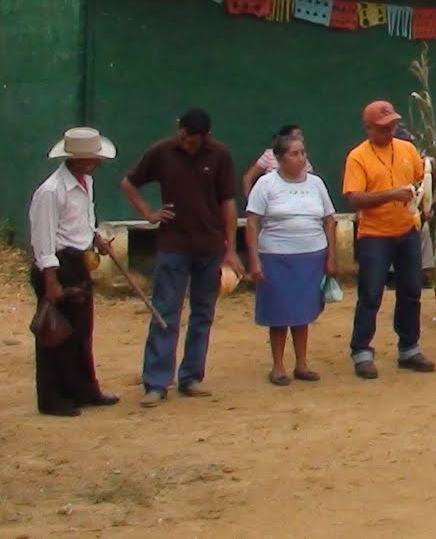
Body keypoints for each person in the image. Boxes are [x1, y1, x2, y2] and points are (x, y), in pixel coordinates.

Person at [121, 109, 242, 407]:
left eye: (192, 141)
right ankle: (157, 382)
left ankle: (191, 377)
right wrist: (148, 213)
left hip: (209, 246)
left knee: (203, 313)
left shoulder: (220, 156)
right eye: (183, 137)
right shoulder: (162, 152)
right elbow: (128, 182)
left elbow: (228, 202)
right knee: (165, 312)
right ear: (179, 130)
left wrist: (230, 247)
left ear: (206, 138)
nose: (186, 144)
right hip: (173, 245)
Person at [27, 127, 120, 416]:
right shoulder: (51, 191)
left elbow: (82, 221)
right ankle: (53, 398)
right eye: (86, 158)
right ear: (72, 159)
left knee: (81, 331)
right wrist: (51, 280)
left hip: (78, 262)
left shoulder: (86, 183)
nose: (92, 163)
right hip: (57, 265)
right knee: (55, 334)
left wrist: (96, 238)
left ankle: (83, 390)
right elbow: (43, 238)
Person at [343, 100, 434, 379]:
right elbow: (354, 197)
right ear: (369, 128)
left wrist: (424, 199)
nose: (390, 130)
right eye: (383, 127)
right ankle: (361, 350)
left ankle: (409, 347)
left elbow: (421, 178)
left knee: (411, 290)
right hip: (375, 234)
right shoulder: (358, 157)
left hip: (407, 229)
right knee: (370, 293)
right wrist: (391, 195)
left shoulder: (406, 149)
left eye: (392, 125)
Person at [245, 132, 336, 387]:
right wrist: (254, 261)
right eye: (294, 154)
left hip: (311, 257)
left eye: (303, 153)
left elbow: (328, 219)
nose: (301, 158)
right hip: (276, 256)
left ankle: (302, 364)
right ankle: (278, 366)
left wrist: (331, 255)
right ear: (280, 158)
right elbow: (252, 223)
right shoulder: (266, 184)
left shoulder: (316, 183)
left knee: (303, 312)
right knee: (279, 312)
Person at [242, 124, 310, 196]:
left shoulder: (303, 160)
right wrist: (251, 202)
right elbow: (248, 178)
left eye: (301, 135)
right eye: (297, 135)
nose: (301, 138)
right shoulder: (269, 155)